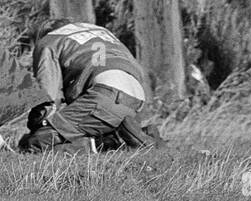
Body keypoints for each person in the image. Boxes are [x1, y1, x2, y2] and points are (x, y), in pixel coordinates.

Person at [18, 18, 158, 152]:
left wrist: (38, 126)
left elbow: (48, 96)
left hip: (105, 96)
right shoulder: (102, 32)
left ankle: (95, 146)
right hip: (136, 99)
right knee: (88, 125)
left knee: (37, 141)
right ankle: (141, 135)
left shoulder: (49, 41)